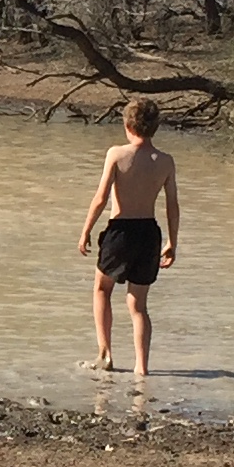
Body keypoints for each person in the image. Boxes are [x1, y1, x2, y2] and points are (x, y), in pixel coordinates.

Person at [75, 97, 179, 376]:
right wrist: (172, 242)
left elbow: (100, 198)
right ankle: (142, 368)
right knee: (138, 305)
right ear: (155, 127)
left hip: (120, 231)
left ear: (127, 125)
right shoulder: (166, 162)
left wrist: (85, 230)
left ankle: (105, 354)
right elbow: (172, 205)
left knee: (101, 288)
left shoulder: (117, 154)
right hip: (149, 233)